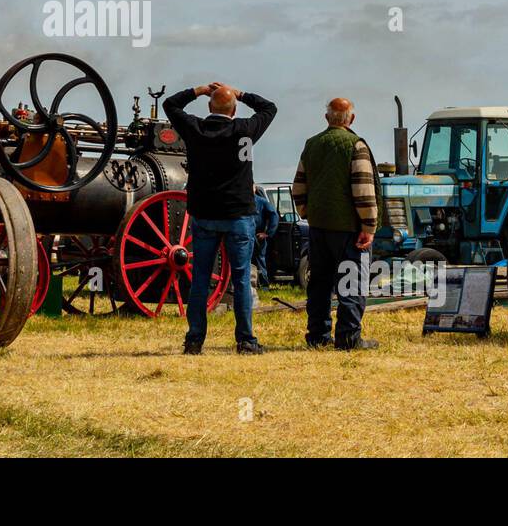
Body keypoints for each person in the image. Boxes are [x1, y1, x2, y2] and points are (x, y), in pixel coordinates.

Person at [164, 82, 277, 355]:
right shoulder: (245, 130)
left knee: (201, 277)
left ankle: (194, 339)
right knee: (240, 279)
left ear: (208, 107)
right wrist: (241, 93)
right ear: (235, 109)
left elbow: (170, 105)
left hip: (204, 213)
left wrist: (198, 90)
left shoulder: (196, 129)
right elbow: (269, 107)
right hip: (238, 214)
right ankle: (246, 340)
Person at [292, 97, 383, 351]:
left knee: (319, 283)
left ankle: (318, 335)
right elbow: (364, 189)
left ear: (326, 118)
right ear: (351, 119)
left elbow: (298, 187)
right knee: (351, 282)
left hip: (318, 228)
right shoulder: (356, 145)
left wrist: (307, 212)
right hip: (349, 230)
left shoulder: (311, 145)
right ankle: (348, 337)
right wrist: (369, 227)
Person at [252, 184, 279, 288]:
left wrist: (268, 233)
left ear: (255, 189)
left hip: (257, 238)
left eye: (251, 187)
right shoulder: (242, 202)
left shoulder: (261, 202)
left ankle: (264, 286)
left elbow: (274, 215)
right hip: (244, 237)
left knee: (260, 262)